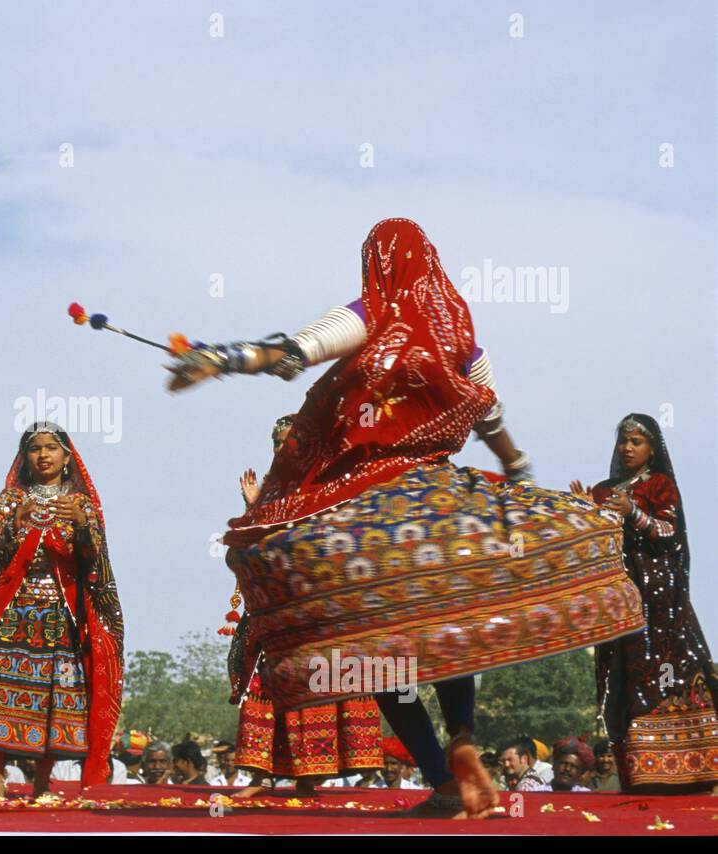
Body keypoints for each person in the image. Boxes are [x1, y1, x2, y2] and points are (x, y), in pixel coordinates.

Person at [167, 218, 644, 818]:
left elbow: (293, 352)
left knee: (377, 653)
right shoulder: (460, 332)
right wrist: (519, 472)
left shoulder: (372, 313)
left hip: (367, 515)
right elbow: (489, 414)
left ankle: (441, 775)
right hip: (444, 507)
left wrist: (221, 358)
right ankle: (465, 740)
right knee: (446, 630)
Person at [0, 422, 124, 799]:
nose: (43, 455)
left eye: (51, 448)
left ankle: (43, 781)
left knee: (55, 694)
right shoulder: (11, 499)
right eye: (35, 448)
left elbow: (93, 555)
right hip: (13, 610)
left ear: (66, 457)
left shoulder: (79, 503)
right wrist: (13, 527)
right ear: (24, 456)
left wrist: (82, 527)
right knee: (1, 689)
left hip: (61, 614)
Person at [230, 415, 382, 798]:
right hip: (272, 606)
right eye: (277, 443)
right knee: (264, 683)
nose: (283, 450)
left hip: (316, 605)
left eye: (290, 442)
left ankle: (308, 774)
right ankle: (260, 775)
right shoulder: (269, 496)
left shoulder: (331, 490)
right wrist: (253, 511)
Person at [572, 414, 718, 795]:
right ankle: (639, 771)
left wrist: (634, 513)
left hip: (660, 603)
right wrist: (582, 511)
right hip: (619, 600)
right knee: (621, 674)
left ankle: (689, 767)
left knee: (669, 667)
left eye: (637, 441)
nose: (628, 448)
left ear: (652, 449)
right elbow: (594, 539)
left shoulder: (660, 484)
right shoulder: (605, 490)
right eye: (623, 441)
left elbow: (670, 531)